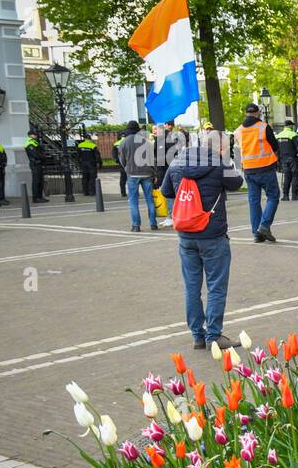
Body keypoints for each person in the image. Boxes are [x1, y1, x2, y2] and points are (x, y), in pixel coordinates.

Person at [159, 130, 244, 351]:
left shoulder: (177, 162)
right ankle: (214, 335)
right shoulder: (219, 164)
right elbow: (237, 183)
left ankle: (198, 335)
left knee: (192, 287)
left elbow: (166, 191)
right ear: (218, 147)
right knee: (216, 286)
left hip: (186, 235)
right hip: (212, 234)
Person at [234, 102, 281, 243]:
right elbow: (274, 145)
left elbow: (238, 150)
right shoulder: (263, 127)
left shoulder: (238, 131)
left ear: (245, 113)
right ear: (257, 113)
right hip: (265, 167)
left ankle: (257, 233)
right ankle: (264, 226)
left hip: (248, 169)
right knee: (273, 197)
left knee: (254, 202)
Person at [118, 121, 156, 231]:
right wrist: (154, 172)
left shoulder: (124, 142)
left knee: (133, 201)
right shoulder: (146, 142)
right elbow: (151, 159)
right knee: (149, 199)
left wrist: (127, 167)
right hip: (147, 173)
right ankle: (153, 223)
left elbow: (122, 159)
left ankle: (136, 226)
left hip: (132, 174)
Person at [277, 120, 298, 200]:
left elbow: (276, 149)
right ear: (290, 126)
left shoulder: (278, 136)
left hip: (283, 160)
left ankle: (285, 196)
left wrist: (278, 160)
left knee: (287, 177)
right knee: (295, 176)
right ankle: (295, 195)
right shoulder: (293, 135)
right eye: (292, 125)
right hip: (293, 159)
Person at [23, 130, 48, 202]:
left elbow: (40, 151)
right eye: (34, 135)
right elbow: (35, 154)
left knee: (40, 181)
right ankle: (36, 198)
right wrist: (42, 156)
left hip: (38, 164)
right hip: (35, 164)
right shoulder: (30, 143)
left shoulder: (35, 142)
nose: (36, 136)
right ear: (30, 135)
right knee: (36, 181)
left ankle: (40, 197)